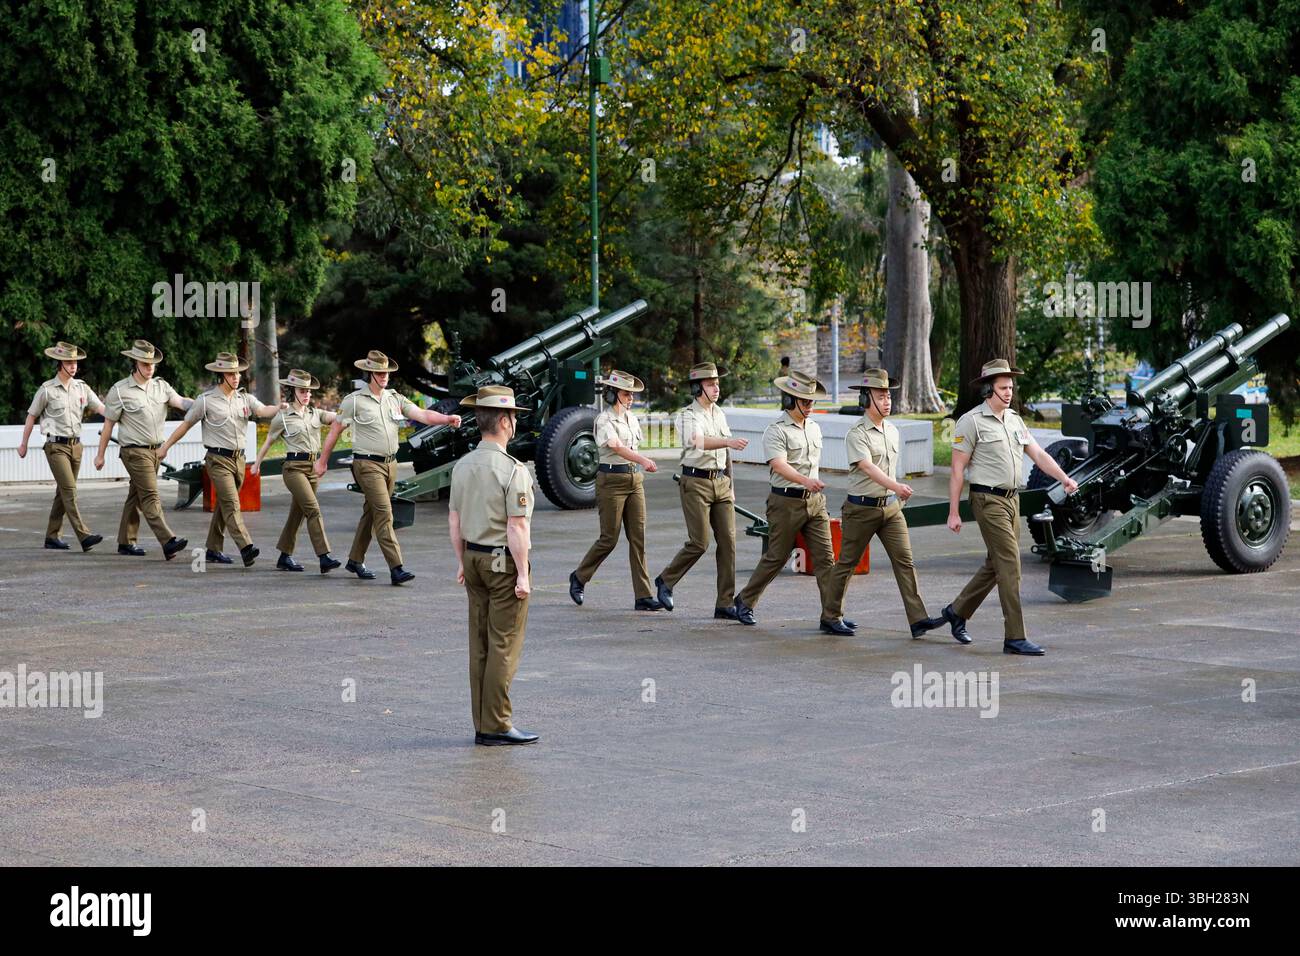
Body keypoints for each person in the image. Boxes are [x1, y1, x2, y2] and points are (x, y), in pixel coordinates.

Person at [945, 359, 1080, 655]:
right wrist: (954, 512)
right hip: (986, 499)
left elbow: (1039, 454)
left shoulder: (1015, 420)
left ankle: (957, 611)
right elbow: (957, 470)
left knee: (996, 564)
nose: (1009, 392)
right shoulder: (970, 422)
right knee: (1010, 566)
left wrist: (1064, 478)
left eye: (1011, 387)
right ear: (988, 389)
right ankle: (1014, 637)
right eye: (1003, 387)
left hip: (1011, 500)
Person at [315, 350, 461, 585]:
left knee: (372, 512)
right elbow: (335, 431)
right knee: (384, 513)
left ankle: (355, 560)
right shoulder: (354, 400)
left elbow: (422, 414)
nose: (385, 377)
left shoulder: (395, 398)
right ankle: (397, 567)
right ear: (370, 373)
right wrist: (322, 461)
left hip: (390, 465)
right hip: (366, 465)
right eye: (380, 373)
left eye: (387, 373)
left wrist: (447, 419)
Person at [824, 369, 948, 639]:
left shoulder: (892, 430)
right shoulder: (857, 434)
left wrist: (895, 491)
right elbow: (867, 467)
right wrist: (897, 486)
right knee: (847, 563)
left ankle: (918, 620)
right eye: (881, 396)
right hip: (861, 509)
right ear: (866, 400)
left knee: (905, 562)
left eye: (889, 396)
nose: (887, 401)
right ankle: (831, 616)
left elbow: (887, 469)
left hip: (891, 508)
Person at [449, 385, 538, 746]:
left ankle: (482, 722)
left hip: (471, 556)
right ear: (503, 421)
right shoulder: (512, 470)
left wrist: (460, 561)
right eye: (513, 416)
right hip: (502, 561)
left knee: (480, 643)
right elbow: (517, 527)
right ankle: (497, 724)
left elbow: (454, 520)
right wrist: (523, 573)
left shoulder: (462, 465)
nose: (515, 422)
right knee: (504, 644)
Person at [732, 369, 847, 631]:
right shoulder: (776, 431)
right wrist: (805, 481)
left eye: (812, 402)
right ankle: (744, 601)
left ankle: (832, 616)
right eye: (805, 402)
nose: (810, 407)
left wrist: (812, 486)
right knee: (777, 556)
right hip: (785, 503)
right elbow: (779, 465)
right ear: (789, 401)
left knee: (826, 559)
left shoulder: (815, 428)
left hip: (815, 502)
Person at [159, 352, 280, 567]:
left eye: (238, 373)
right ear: (221, 375)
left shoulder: (244, 398)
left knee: (225, 505)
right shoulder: (206, 401)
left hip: (239, 460)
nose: (236, 377)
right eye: (231, 374)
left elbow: (262, 410)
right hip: (217, 460)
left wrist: (279, 408)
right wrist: (165, 448)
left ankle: (213, 549)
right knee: (232, 504)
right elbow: (185, 426)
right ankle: (246, 547)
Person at [653, 361, 748, 618]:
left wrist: (731, 484)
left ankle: (724, 603)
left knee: (728, 542)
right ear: (697, 388)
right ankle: (666, 580)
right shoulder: (686, 416)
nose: (716, 388)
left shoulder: (720, 413)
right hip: (696, 483)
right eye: (710, 384)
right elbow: (697, 441)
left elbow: (726, 453)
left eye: (717, 383)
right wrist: (727, 440)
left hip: (721, 483)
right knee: (699, 542)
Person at [569, 369, 662, 611]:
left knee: (638, 539)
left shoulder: (631, 418)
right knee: (609, 539)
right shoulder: (604, 419)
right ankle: (579, 577)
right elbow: (617, 447)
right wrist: (643, 459)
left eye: (632, 394)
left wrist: (639, 465)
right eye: (625, 394)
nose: (631, 398)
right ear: (612, 395)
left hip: (634, 481)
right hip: (611, 481)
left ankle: (643, 596)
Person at [95, 340, 190, 560]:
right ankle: (168, 541)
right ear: (135, 363)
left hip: (155, 451)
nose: (150, 368)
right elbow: (108, 424)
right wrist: (100, 455)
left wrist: (201, 405)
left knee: (136, 496)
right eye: (145, 364)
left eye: (152, 365)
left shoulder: (161, 386)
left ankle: (125, 542)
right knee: (150, 496)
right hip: (134, 452)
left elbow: (180, 402)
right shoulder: (119, 390)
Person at [252, 369, 342, 574]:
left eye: (309, 391)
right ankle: (324, 556)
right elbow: (268, 442)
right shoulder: (282, 418)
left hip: (313, 469)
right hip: (293, 470)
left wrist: (349, 414)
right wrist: (257, 464)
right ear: (293, 391)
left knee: (298, 514)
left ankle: (284, 556)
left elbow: (335, 417)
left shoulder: (315, 414)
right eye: (303, 391)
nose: (307, 395)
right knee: (313, 509)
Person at [18, 342, 105, 552]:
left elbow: (102, 408)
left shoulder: (81, 387)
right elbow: (31, 416)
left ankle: (51, 536)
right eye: (68, 361)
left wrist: (120, 416)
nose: (73, 365)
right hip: (55, 446)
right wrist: (24, 444)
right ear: (60, 364)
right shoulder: (47, 390)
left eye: (75, 361)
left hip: (76, 446)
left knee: (62, 493)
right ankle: (84, 536)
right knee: (70, 490)